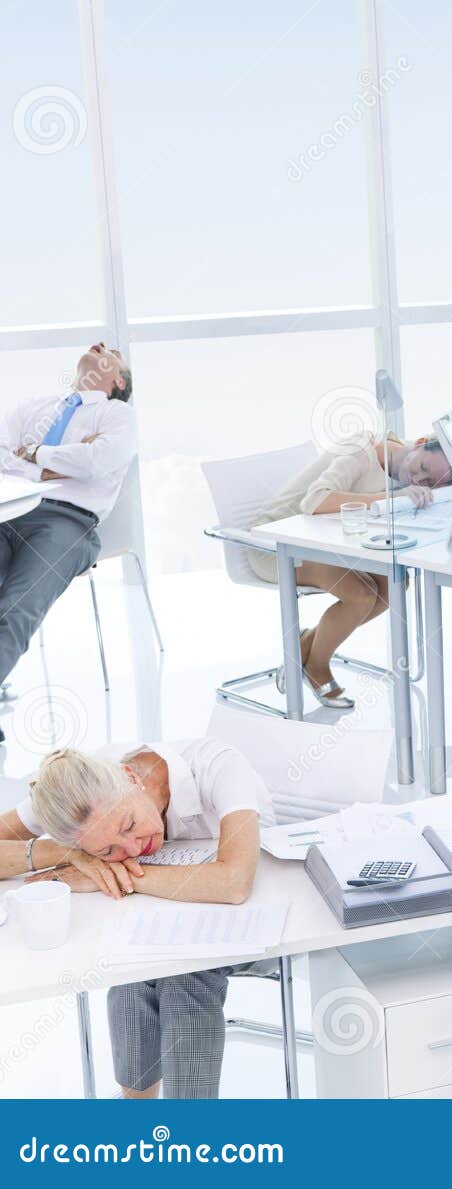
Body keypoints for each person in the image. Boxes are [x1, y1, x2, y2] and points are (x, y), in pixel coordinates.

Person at [0, 739, 274, 1098]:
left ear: (130, 777)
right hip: (161, 927)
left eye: (128, 824)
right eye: (106, 850)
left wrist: (123, 879)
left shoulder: (218, 767)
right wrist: (64, 851)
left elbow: (235, 883)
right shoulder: (71, 799)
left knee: (183, 972)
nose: (132, 849)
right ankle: (138, 1111)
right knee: (133, 965)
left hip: (264, 926)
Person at [248, 433, 452, 709]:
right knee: (360, 595)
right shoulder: (361, 453)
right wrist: (391, 498)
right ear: (418, 443)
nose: (418, 480)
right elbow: (314, 501)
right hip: (275, 546)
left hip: (321, 544)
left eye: (429, 481)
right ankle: (317, 665)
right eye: (424, 469)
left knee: (395, 583)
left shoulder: (401, 466)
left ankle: (305, 645)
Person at [0, 343, 136, 721]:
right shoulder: (37, 406)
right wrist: (51, 468)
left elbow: (98, 461)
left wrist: (34, 453)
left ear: (117, 380)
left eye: (110, 351)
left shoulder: (118, 414)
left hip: (66, 522)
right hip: (8, 512)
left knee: (16, 605)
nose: (98, 346)